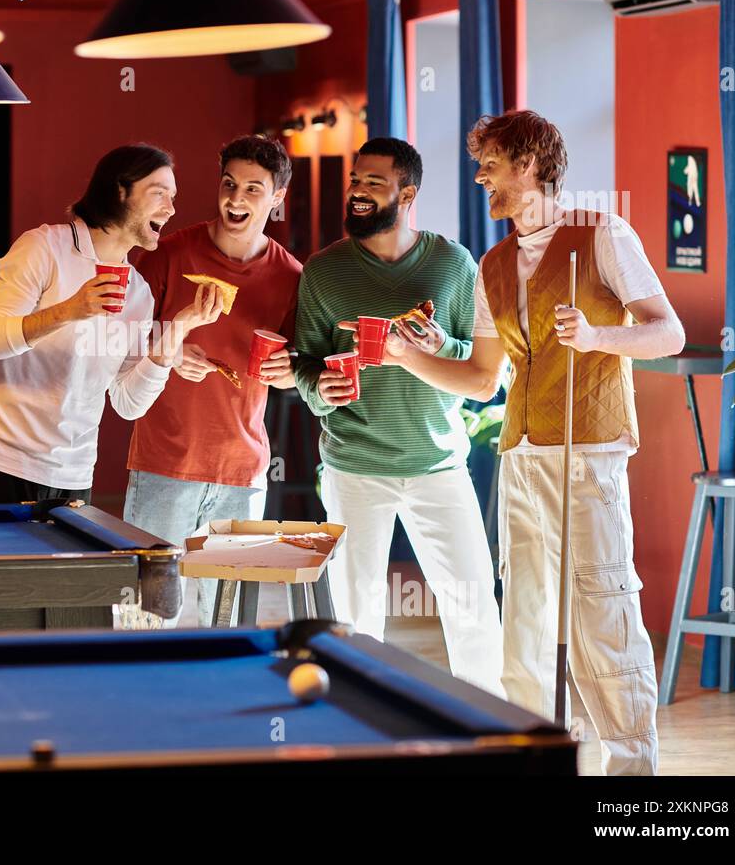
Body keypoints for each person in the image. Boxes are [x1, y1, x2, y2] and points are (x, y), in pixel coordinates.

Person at [389, 110, 685, 775]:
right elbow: (481, 378)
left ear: (529, 164)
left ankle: (631, 773)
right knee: (522, 626)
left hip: (589, 456)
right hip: (521, 461)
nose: (480, 178)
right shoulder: (491, 263)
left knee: (601, 616)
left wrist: (600, 337)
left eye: (490, 164)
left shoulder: (601, 233)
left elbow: (666, 332)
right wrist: (412, 356)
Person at [293, 136, 504, 695]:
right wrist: (322, 387)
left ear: (407, 193)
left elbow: (487, 371)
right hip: (353, 467)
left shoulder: (454, 265)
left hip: (439, 464)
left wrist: (440, 347)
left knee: (472, 601)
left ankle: (490, 727)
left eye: (374, 183)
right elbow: (305, 365)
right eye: (356, 181)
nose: (358, 192)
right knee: (357, 610)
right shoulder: (323, 271)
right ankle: (359, 720)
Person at [0, 143, 222, 503]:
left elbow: (128, 403)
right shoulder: (44, 247)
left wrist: (177, 329)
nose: (172, 208)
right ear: (120, 191)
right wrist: (68, 310)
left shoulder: (138, 293)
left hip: (75, 475)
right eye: (159, 193)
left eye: (173, 197)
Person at [123, 135, 301, 625]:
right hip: (164, 465)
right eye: (228, 184)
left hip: (242, 473)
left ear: (277, 198)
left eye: (252, 189)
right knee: (147, 617)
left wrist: (289, 372)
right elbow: (118, 342)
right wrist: (172, 350)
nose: (235, 199)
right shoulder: (167, 254)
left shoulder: (291, 276)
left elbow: (295, 370)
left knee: (224, 623)